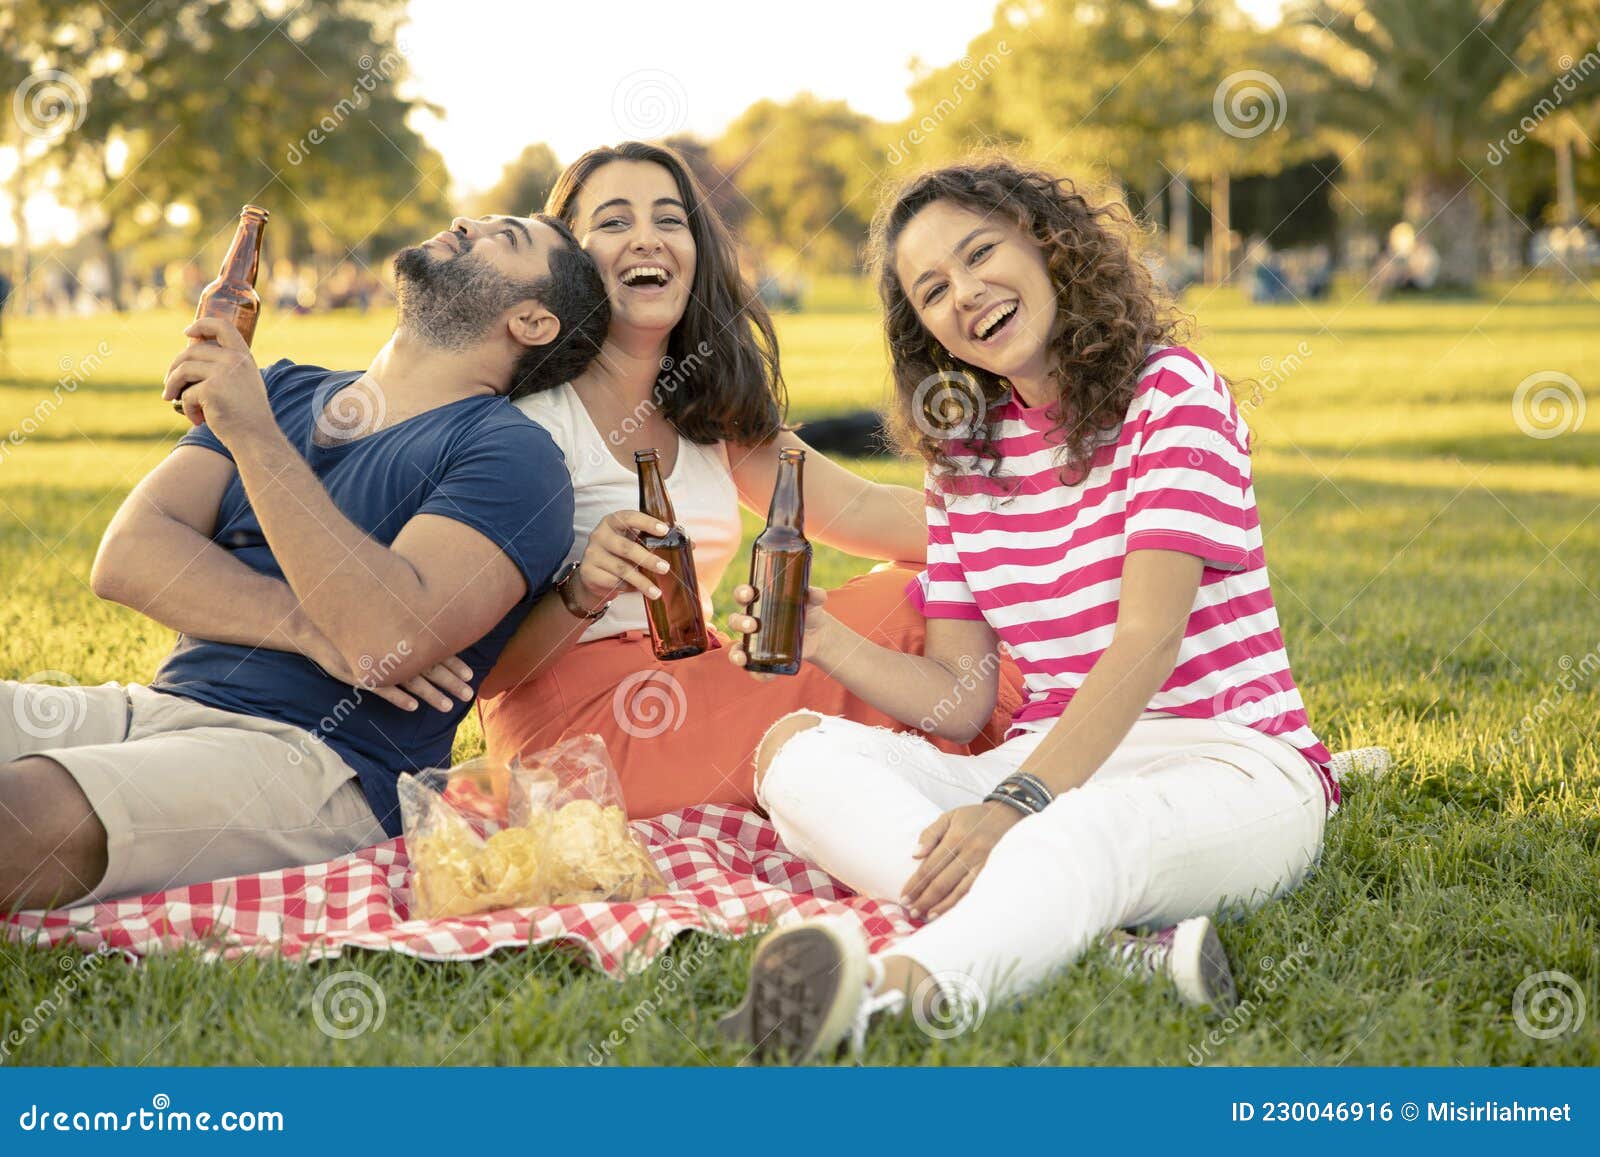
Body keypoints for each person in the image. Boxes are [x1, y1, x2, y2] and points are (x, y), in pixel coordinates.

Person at [716, 157, 1337, 1062]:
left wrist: (1016, 801)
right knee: (796, 754)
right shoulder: (964, 453)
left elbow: (1146, 639)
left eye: (980, 254)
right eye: (932, 289)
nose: (965, 295)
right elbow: (962, 699)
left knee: (1076, 827)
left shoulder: (1172, 394)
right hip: (1039, 763)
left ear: (1050, 246)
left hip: (1231, 764)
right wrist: (824, 637)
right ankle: (1116, 953)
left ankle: (889, 993)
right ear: (923, 327)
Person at [0, 212, 609, 911]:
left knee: (17, 812)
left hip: (315, 770)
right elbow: (128, 555)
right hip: (160, 709)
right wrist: (310, 627)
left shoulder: (513, 460)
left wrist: (251, 432)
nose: (467, 220)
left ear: (532, 322)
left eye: (508, 236)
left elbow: (384, 637)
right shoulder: (282, 389)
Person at [476, 142, 1025, 820]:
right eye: (615, 222)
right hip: (576, 740)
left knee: (916, 589)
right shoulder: (531, 427)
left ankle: (1011, 744)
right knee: (912, 621)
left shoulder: (708, 414)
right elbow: (486, 667)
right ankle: (1017, 761)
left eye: (670, 221)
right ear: (569, 261)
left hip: (690, 686)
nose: (647, 238)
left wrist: (1049, 515)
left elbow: (874, 511)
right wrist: (582, 588)